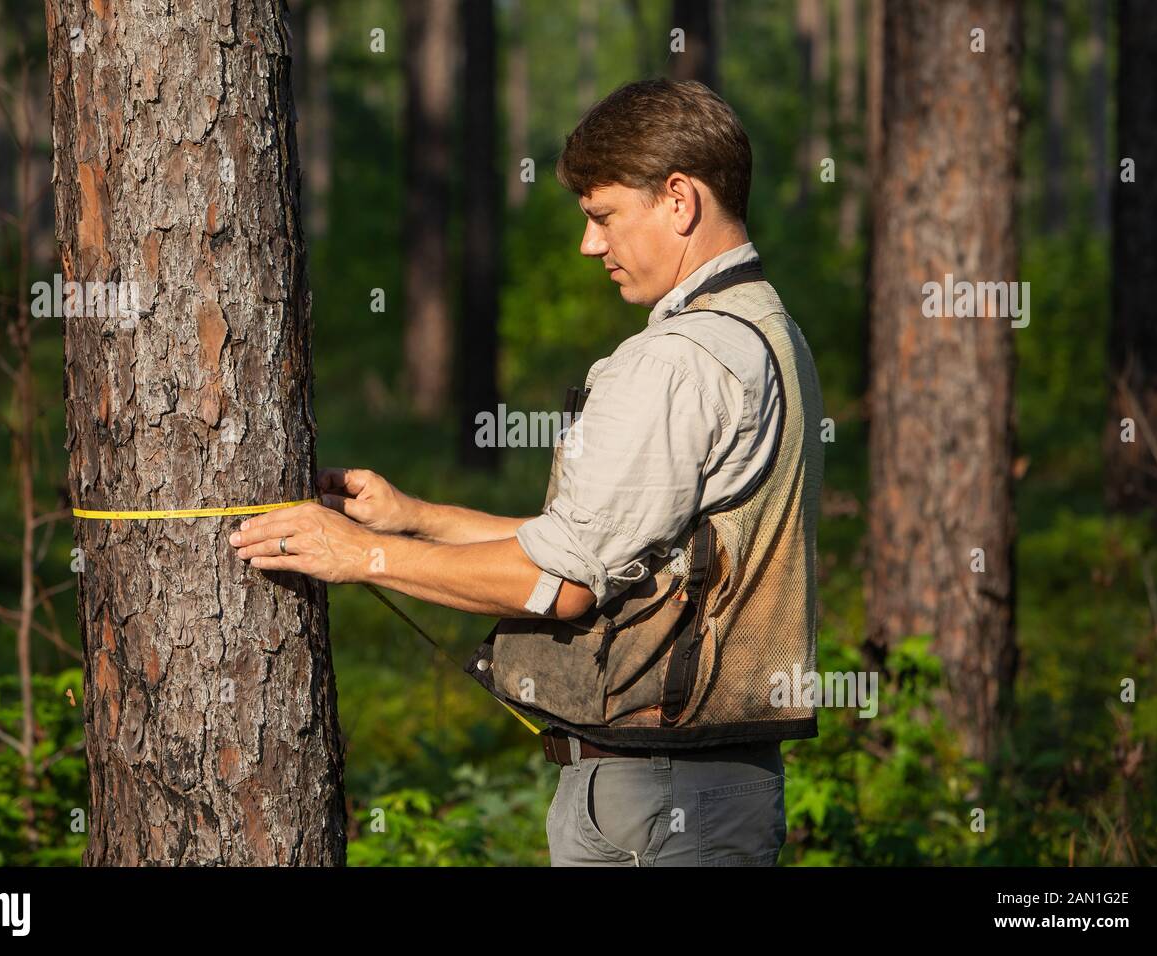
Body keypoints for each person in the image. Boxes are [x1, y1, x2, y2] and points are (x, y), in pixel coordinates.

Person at [229, 78, 825, 866]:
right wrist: (417, 520)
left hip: (661, 795)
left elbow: (565, 582)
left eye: (603, 215)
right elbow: (611, 543)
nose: (590, 245)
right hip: (693, 784)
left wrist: (360, 556)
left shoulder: (674, 362)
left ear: (679, 200)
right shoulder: (766, 328)